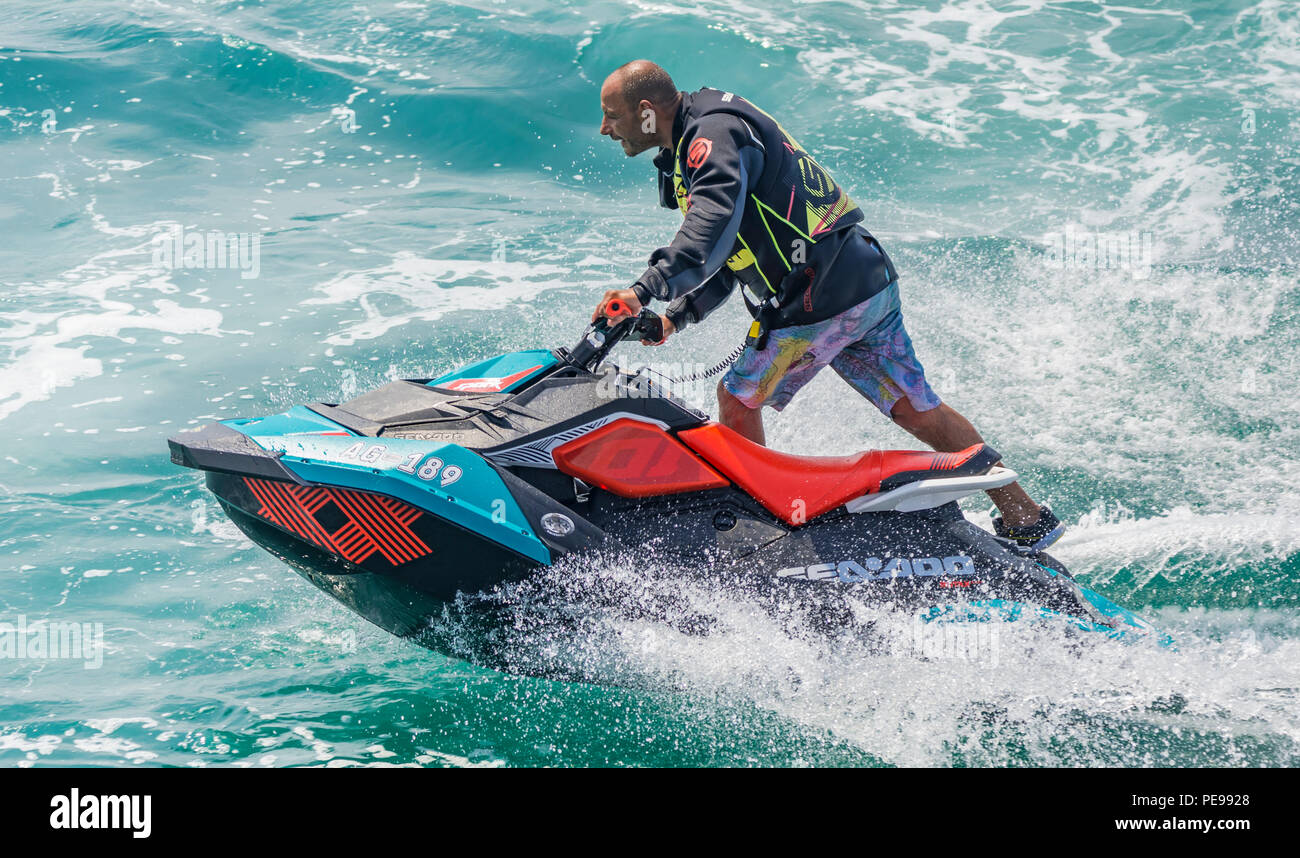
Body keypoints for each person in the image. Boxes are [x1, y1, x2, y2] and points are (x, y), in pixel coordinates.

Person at [592, 60, 1063, 550]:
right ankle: (1025, 515)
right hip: (862, 280)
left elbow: (708, 229)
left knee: (739, 397)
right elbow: (733, 251)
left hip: (820, 299)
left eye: (612, 115)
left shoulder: (710, 137)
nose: (605, 128)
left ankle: (760, 533)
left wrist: (645, 288)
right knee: (918, 411)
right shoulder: (704, 128)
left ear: (646, 112)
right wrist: (676, 316)